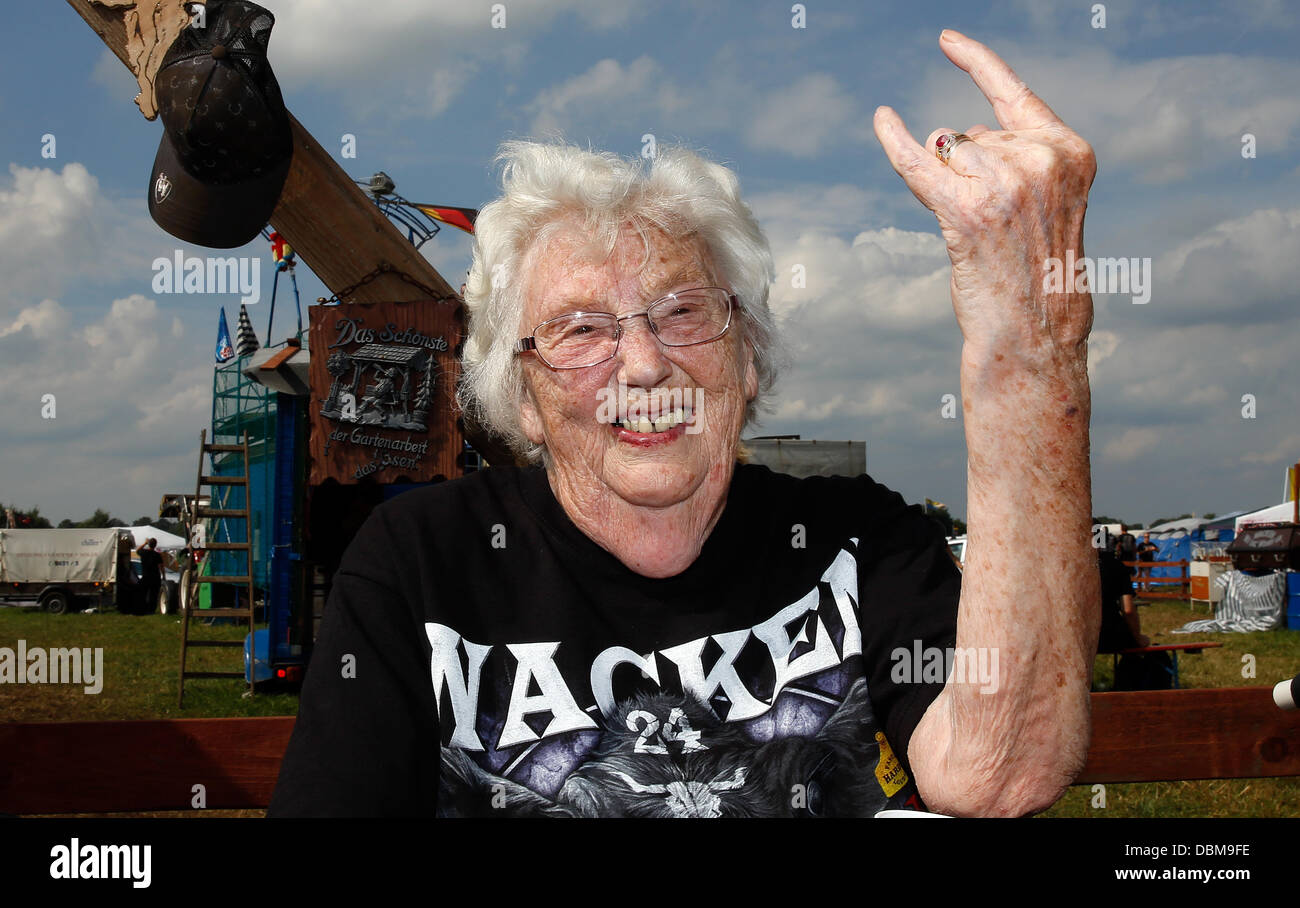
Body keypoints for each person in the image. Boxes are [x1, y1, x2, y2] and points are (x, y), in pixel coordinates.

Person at [271, 30, 1098, 818]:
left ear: (746, 360)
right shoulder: (420, 564)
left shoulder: (859, 543)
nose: (641, 363)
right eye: (581, 328)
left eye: (684, 310)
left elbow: (1003, 773)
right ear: (521, 396)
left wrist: (1031, 341)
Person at [136, 538, 164, 614]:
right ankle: (151, 610)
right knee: (153, 595)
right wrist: (163, 576)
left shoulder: (143, 552)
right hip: (155, 577)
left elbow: (137, 550)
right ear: (155, 545)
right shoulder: (157, 555)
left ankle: (143, 608)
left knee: (143, 593)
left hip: (145, 576)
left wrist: (145, 543)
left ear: (149, 544)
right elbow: (161, 566)